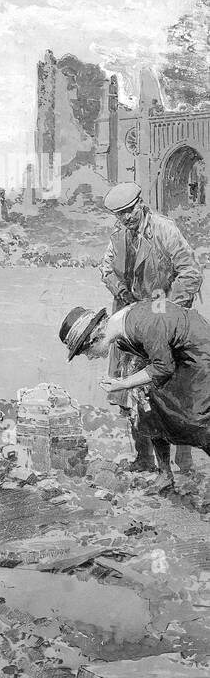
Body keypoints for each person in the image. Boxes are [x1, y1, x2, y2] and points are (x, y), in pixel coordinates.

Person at [63, 302, 210, 511]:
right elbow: (152, 363)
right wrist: (135, 389)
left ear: (94, 337)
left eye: (86, 351)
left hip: (198, 352)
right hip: (173, 355)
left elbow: (163, 367)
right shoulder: (120, 338)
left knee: (196, 420)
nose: (90, 356)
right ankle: (164, 474)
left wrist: (124, 383)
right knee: (149, 408)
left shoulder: (142, 324)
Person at [99, 182, 202, 479]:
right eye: (120, 215)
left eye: (130, 211)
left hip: (162, 318)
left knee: (171, 392)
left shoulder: (164, 230)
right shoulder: (118, 236)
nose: (127, 218)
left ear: (141, 204)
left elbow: (191, 272)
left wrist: (165, 309)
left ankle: (183, 464)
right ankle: (144, 459)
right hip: (131, 320)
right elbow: (105, 269)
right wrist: (120, 289)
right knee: (132, 390)